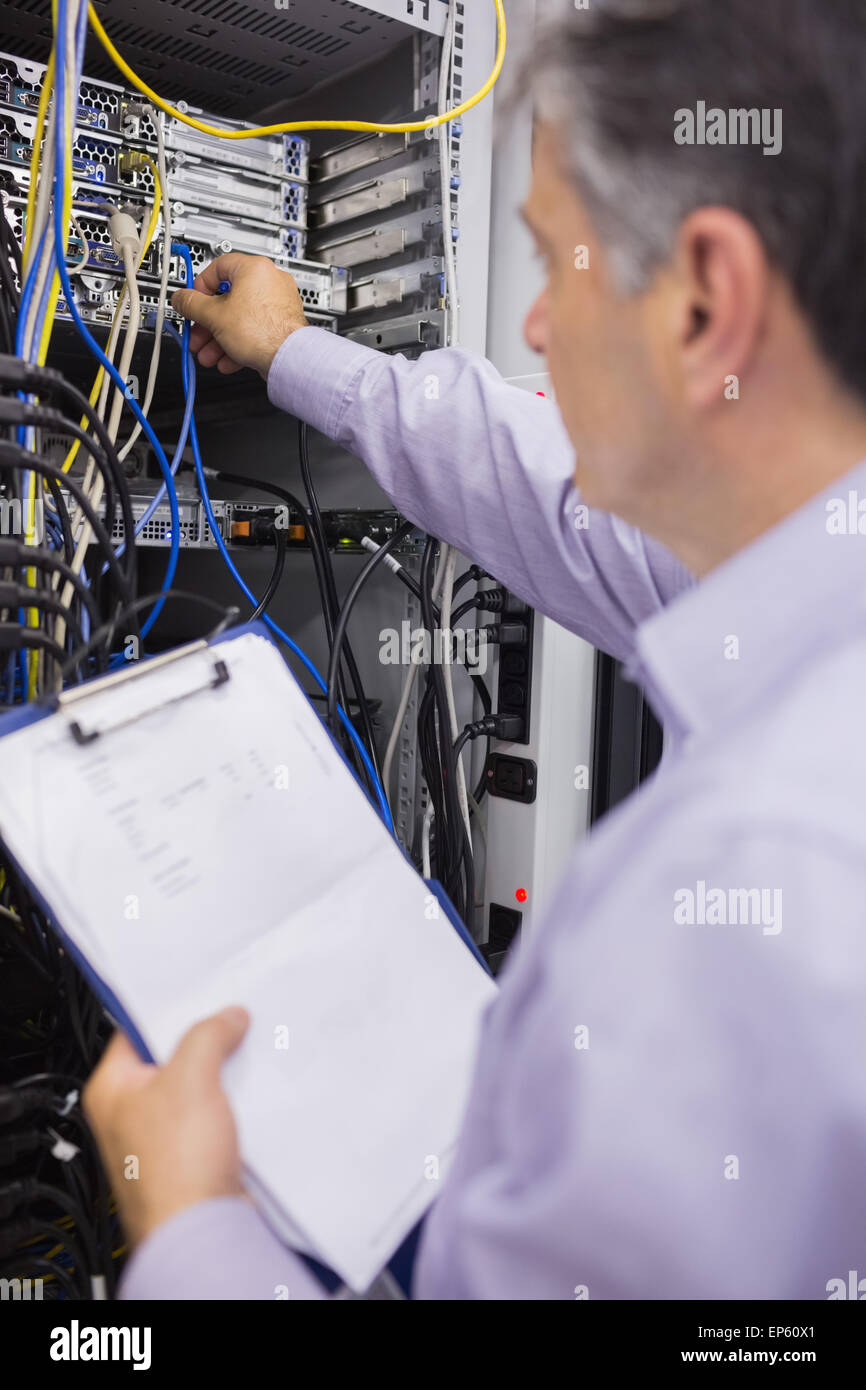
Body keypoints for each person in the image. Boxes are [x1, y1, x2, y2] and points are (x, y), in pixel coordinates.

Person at [85, 0, 866, 1299]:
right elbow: (538, 492)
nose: (535, 330)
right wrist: (296, 355)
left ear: (706, 301)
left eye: (555, 261)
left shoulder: (748, 884)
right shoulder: (791, 576)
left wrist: (189, 1221)